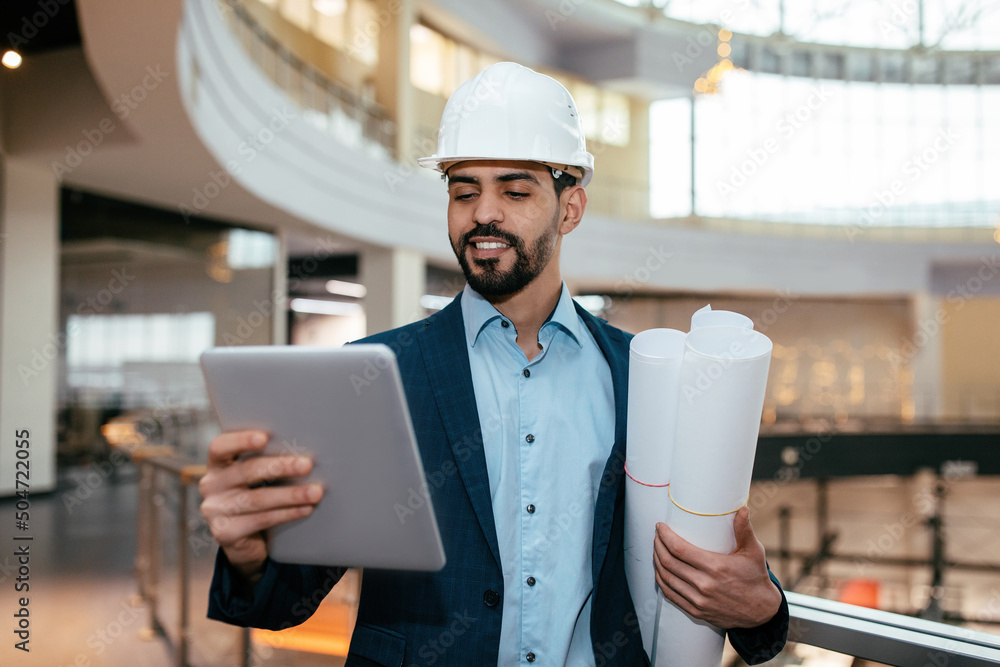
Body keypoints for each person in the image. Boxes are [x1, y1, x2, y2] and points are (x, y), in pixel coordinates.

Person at [200, 62, 789, 666]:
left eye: (515, 190)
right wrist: (249, 554)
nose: (484, 214)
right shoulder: (376, 375)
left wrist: (762, 607)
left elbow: (707, 584)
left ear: (570, 208)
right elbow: (284, 599)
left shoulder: (640, 377)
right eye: (464, 191)